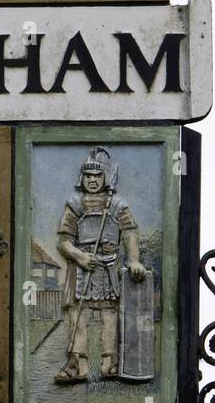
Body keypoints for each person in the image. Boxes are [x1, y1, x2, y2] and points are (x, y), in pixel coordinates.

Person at [54, 147, 147, 384]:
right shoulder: (74, 204)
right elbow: (64, 242)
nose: (92, 180)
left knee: (109, 316)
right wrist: (80, 256)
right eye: (88, 176)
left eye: (97, 176)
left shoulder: (118, 204)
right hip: (82, 268)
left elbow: (129, 234)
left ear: (106, 177)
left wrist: (134, 259)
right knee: (78, 316)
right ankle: (77, 363)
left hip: (108, 269)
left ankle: (110, 363)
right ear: (82, 178)